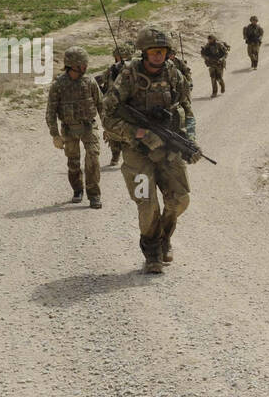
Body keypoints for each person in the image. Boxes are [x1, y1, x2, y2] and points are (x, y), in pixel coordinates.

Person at [100, 27, 200, 274]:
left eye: (163, 51)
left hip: (168, 148)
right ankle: (152, 249)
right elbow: (107, 116)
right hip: (137, 152)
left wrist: (191, 140)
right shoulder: (129, 76)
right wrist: (138, 133)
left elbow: (187, 110)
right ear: (145, 53)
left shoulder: (174, 74)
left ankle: (164, 236)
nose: (159, 56)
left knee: (180, 199)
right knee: (147, 204)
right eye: (154, 51)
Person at [45, 45, 102, 208]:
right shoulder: (58, 85)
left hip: (89, 127)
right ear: (72, 65)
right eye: (82, 65)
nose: (85, 67)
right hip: (69, 129)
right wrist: (55, 134)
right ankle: (78, 190)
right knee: (73, 162)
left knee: (93, 159)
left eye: (85, 64)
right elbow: (51, 111)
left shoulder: (90, 81)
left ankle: (94, 195)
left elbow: (101, 104)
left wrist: (109, 129)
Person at [96, 42, 134, 165]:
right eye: (117, 58)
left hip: (130, 105)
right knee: (112, 131)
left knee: (130, 131)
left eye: (122, 58)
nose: (119, 60)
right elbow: (99, 80)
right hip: (112, 106)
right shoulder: (112, 70)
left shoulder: (135, 69)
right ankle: (115, 154)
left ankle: (132, 157)